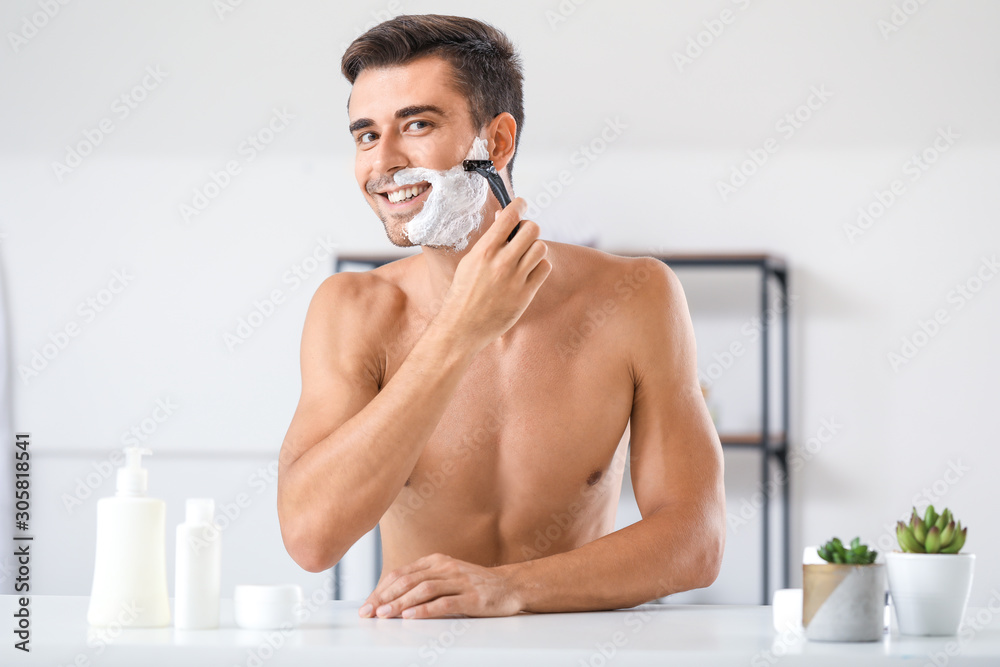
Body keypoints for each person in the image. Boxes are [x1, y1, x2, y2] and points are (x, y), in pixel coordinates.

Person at [277, 14, 725, 619]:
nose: (382, 162)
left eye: (417, 124)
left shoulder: (637, 296)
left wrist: (510, 588)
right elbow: (310, 537)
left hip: (577, 652)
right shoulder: (353, 310)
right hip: (416, 653)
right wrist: (460, 331)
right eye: (365, 135)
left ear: (498, 141)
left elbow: (695, 541)